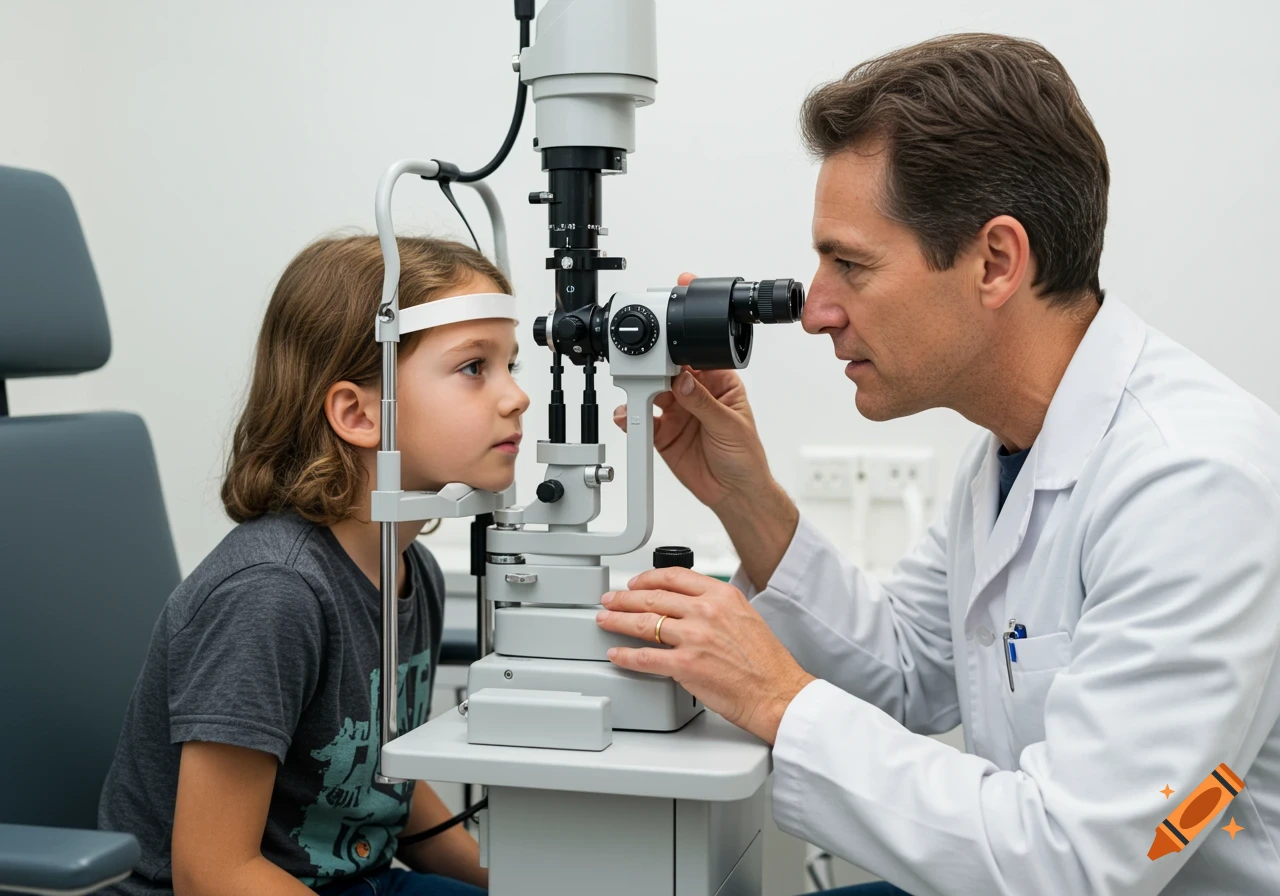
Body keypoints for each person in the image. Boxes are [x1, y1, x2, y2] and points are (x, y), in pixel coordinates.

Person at [596, 33, 1280, 895]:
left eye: (849, 264)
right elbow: (911, 671)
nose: (814, 311)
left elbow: (1080, 863)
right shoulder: (1011, 451)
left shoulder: (1193, 483)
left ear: (995, 262)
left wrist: (778, 699)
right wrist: (747, 498)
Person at [98, 236, 529, 895]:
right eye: (475, 368)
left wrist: (513, 884)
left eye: (511, 365)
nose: (516, 397)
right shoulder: (273, 594)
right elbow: (211, 870)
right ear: (358, 414)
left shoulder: (411, 573)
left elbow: (383, 783)